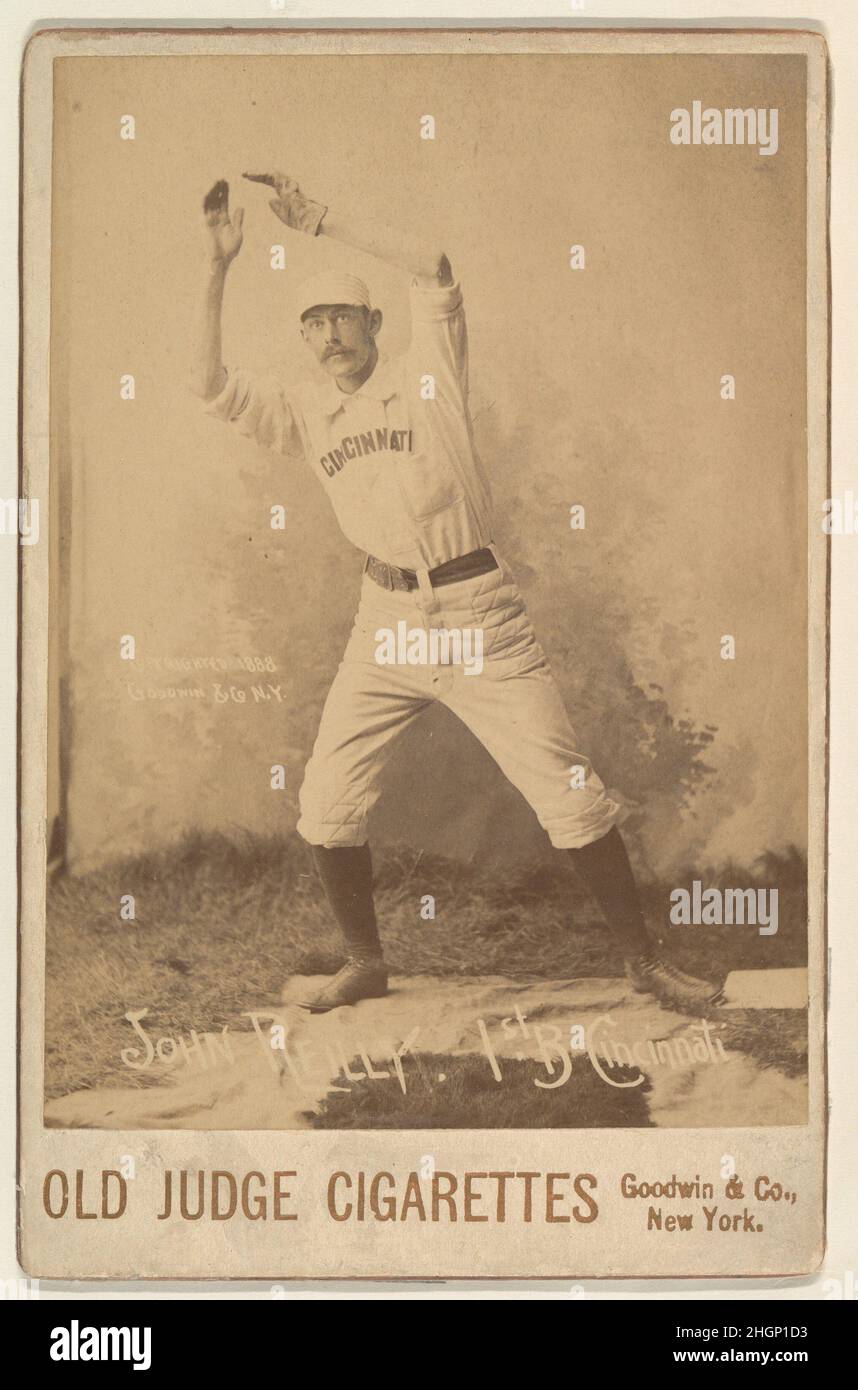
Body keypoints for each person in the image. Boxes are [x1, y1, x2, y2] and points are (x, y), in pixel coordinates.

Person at [189, 172, 723, 1016]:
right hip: (385, 623)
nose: (329, 335)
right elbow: (209, 385)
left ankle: (644, 962)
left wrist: (321, 220)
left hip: (479, 618)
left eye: (343, 317)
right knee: (327, 802)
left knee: (570, 795)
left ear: (374, 323)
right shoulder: (305, 409)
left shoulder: (427, 377)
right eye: (313, 323)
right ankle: (365, 961)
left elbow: (434, 266)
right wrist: (219, 266)